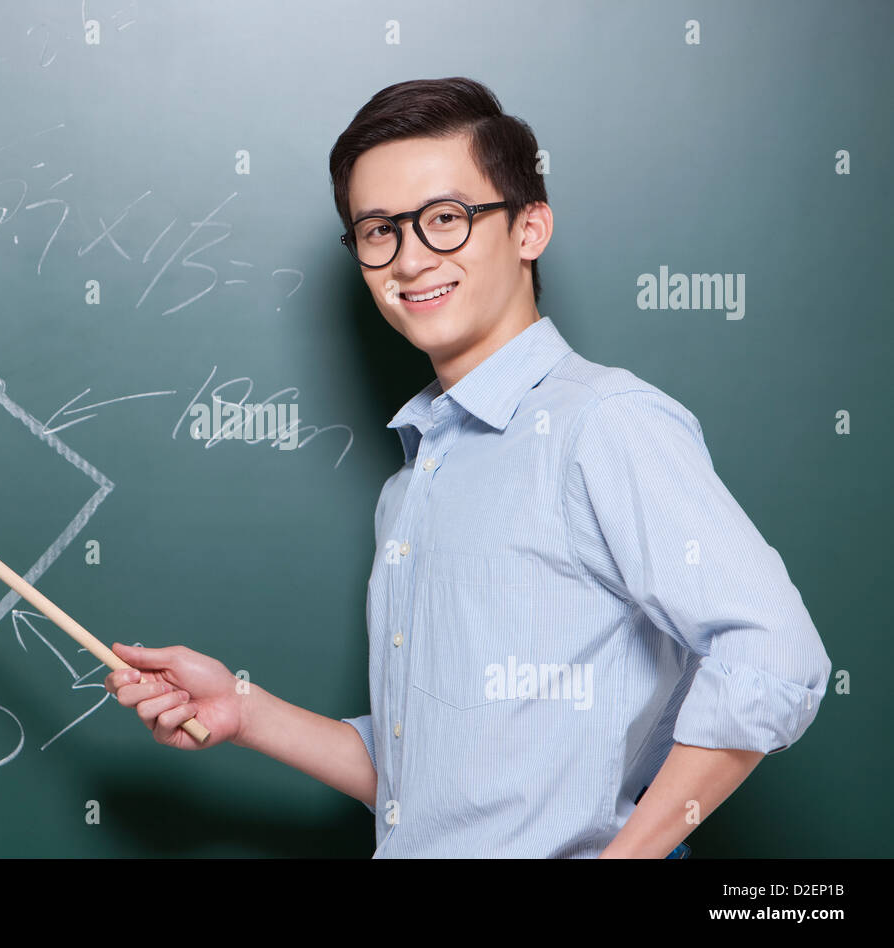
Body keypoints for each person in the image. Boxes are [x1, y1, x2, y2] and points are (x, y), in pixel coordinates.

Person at [104, 77, 831, 858]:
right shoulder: (412, 485)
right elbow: (436, 787)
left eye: (446, 219)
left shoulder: (602, 422)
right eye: (378, 230)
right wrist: (244, 711)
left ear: (530, 228)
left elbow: (777, 655)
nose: (411, 259)